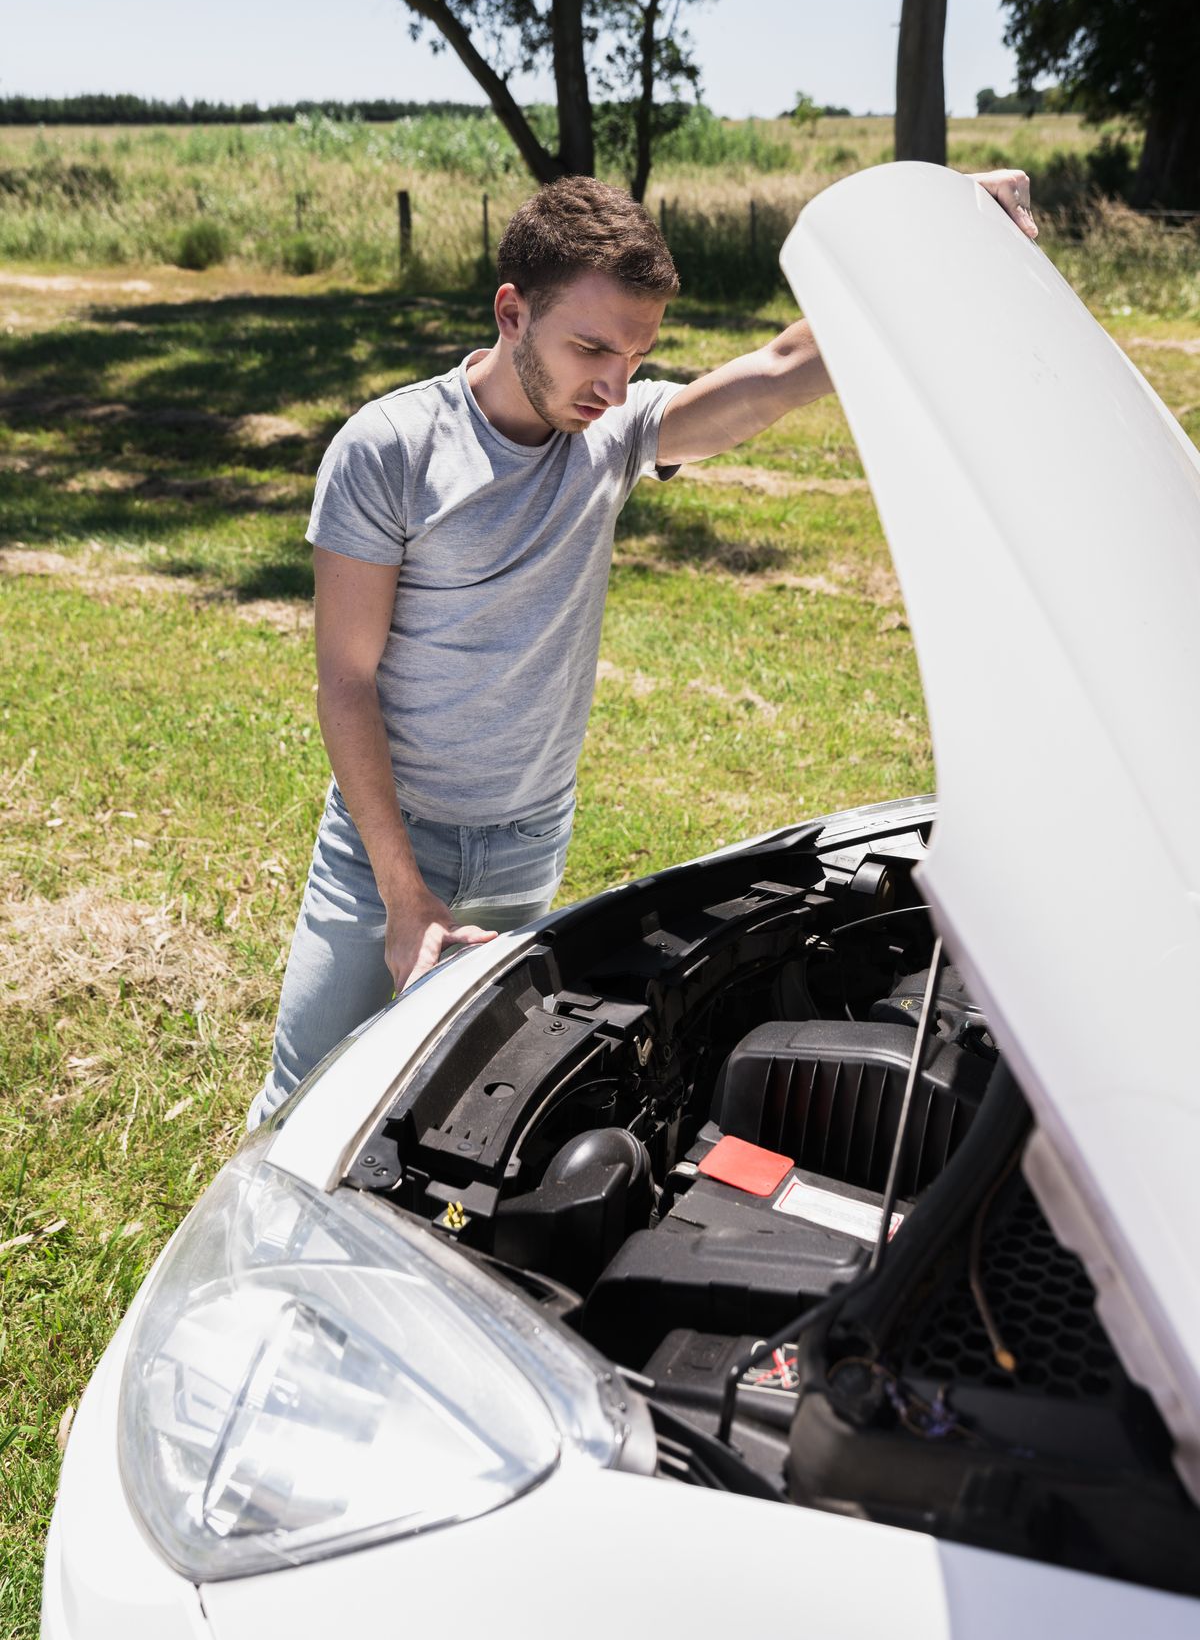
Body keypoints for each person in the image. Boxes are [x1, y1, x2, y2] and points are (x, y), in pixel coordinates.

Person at [247, 168, 1036, 1127]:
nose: (614, 385)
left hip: (527, 842)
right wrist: (404, 895)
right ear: (511, 311)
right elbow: (345, 682)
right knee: (303, 1103)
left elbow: (785, 368)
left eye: (636, 353)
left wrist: (934, 234)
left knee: (453, 1117)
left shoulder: (613, 433)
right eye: (589, 348)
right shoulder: (390, 451)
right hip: (381, 847)